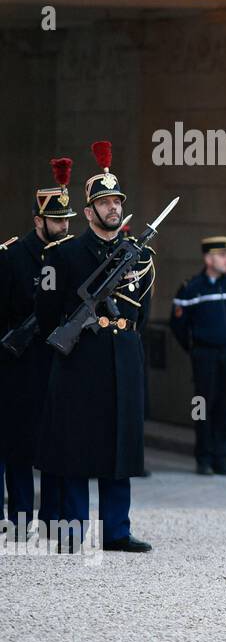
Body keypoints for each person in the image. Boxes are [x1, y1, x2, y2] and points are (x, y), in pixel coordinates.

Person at [35, 141, 155, 552]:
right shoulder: (64, 255)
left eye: (116, 201)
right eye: (103, 203)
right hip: (80, 358)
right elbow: (48, 314)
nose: (112, 208)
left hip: (122, 356)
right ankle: (71, 530)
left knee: (119, 445)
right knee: (76, 444)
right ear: (88, 212)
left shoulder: (139, 257)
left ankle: (116, 531)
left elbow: (143, 314)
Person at [0, 159, 76, 535]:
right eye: (57, 221)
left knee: (56, 442)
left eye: (67, 220)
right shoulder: (12, 257)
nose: (64, 227)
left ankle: (53, 518)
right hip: (20, 366)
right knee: (18, 446)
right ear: (38, 221)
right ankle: (20, 518)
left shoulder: (71, 257)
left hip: (59, 362)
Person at [170, 235, 226, 476]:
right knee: (202, 407)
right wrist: (194, 349)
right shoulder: (191, 288)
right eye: (221, 255)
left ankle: (220, 458)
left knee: (224, 408)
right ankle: (202, 458)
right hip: (204, 356)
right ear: (208, 258)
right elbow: (178, 324)